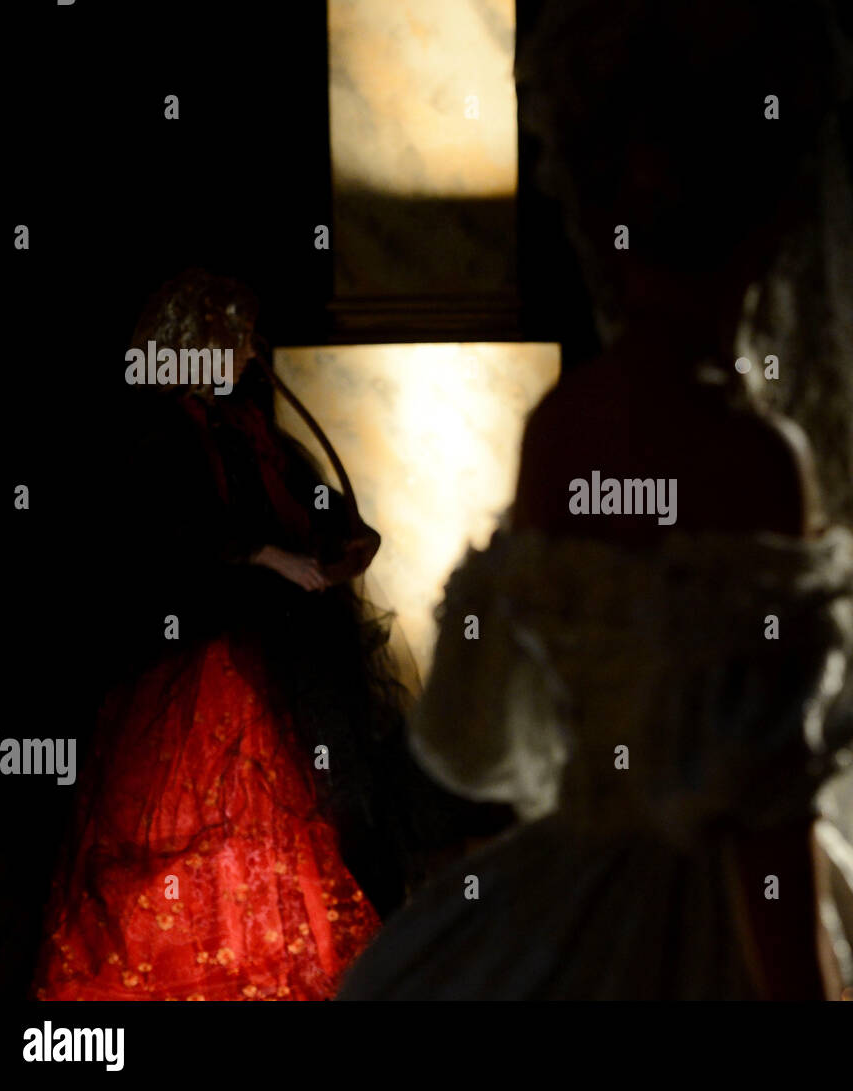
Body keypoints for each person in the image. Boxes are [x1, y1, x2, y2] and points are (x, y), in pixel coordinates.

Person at [338, 0, 853, 1001]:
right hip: (712, 918)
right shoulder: (754, 453)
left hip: (563, 891)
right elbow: (765, 807)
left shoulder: (562, 423)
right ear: (768, 228)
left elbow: (481, 732)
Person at [36, 270, 508, 1000]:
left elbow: (309, 510)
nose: (248, 351)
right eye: (229, 338)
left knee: (299, 817)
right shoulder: (164, 438)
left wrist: (345, 542)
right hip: (197, 665)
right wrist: (264, 556)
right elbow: (165, 542)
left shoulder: (252, 431)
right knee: (214, 820)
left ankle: (288, 963)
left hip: (280, 659)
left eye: (246, 337)